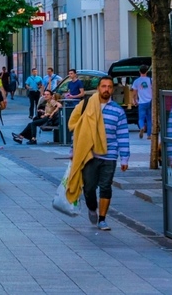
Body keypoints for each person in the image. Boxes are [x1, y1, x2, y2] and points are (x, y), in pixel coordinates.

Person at [65, 77, 130, 231]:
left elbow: (123, 135)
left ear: (112, 89)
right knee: (89, 188)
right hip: (89, 154)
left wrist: (125, 157)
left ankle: (102, 219)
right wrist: (74, 150)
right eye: (103, 86)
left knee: (106, 187)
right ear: (98, 88)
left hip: (110, 155)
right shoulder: (86, 106)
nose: (106, 89)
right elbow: (78, 130)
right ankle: (92, 208)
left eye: (109, 87)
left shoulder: (118, 111)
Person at [131, 66, 152, 138]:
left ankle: (142, 127)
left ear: (139, 72)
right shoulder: (150, 80)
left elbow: (134, 93)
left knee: (141, 118)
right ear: (146, 72)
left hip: (141, 103)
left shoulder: (136, 81)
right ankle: (149, 135)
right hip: (150, 102)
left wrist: (134, 101)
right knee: (149, 119)